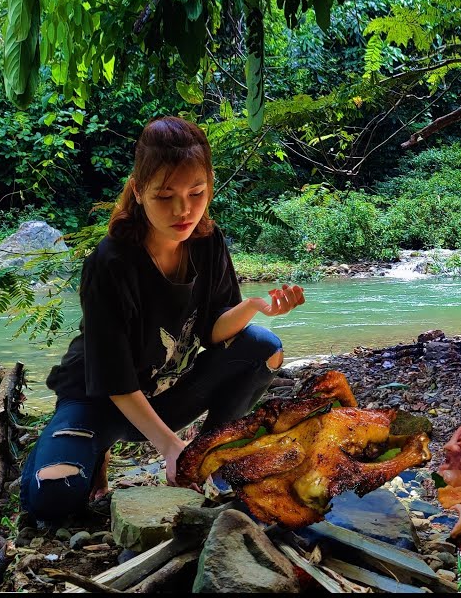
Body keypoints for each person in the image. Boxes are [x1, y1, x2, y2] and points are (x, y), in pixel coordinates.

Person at [20, 116, 306, 523]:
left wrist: (256, 306)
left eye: (196, 192)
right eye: (165, 195)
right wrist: (170, 447)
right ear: (138, 191)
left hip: (167, 395)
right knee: (53, 498)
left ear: (209, 186)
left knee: (264, 347)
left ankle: (211, 454)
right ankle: (85, 448)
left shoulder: (207, 241)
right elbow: (115, 380)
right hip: (100, 402)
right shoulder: (110, 263)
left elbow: (213, 331)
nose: (183, 209)